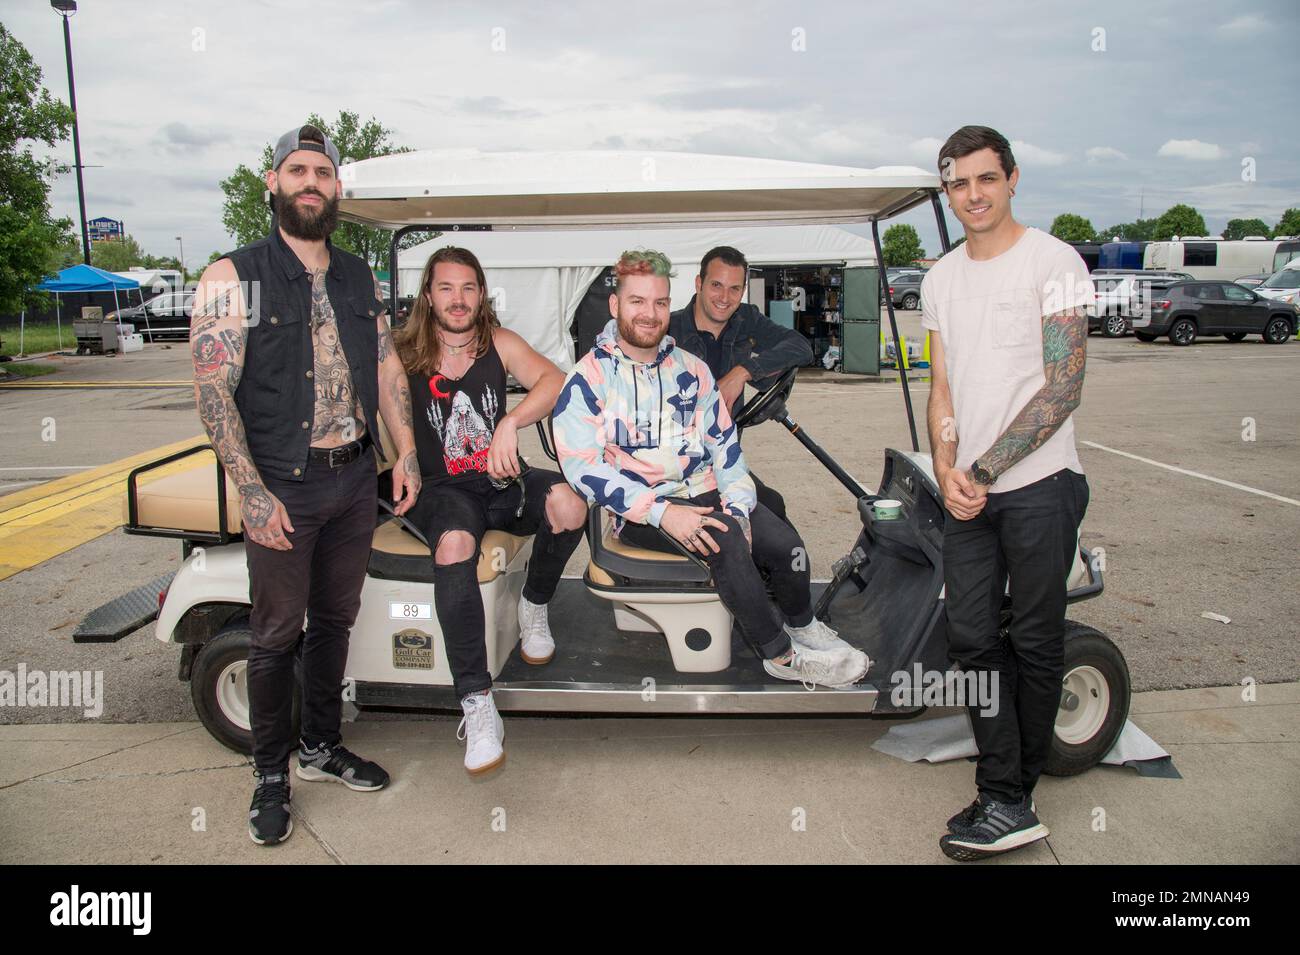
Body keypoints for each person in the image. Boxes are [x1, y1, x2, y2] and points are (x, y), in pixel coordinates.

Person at [191, 124, 420, 846]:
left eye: (322, 171)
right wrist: (251, 493)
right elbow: (213, 393)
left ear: (337, 189)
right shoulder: (232, 276)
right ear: (274, 182)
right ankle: (270, 775)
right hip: (281, 484)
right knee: (274, 633)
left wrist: (405, 448)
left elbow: (384, 367)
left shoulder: (358, 277)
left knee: (336, 621)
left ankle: (320, 746)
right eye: (298, 170)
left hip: (354, 478)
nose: (311, 181)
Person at [554, 249, 869, 688]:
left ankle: (801, 625)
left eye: (660, 303)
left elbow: (726, 449)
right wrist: (665, 512)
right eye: (637, 302)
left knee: (786, 544)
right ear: (615, 305)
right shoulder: (587, 380)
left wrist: (740, 508)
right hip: (643, 511)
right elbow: (582, 468)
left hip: (705, 493)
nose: (650, 314)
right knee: (725, 541)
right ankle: (780, 655)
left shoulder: (693, 370)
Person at [921, 126, 1092, 861]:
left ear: (1013, 178)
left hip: (1041, 485)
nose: (973, 195)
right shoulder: (939, 278)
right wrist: (947, 466)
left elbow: (1064, 387)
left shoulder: (1054, 262)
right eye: (958, 184)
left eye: (986, 179)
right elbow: (942, 388)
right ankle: (1004, 790)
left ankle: (1010, 794)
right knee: (970, 637)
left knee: (1036, 637)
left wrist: (984, 471)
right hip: (970, 491)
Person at [394, 246, 587, 776]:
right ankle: (478, 703)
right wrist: (403, 456)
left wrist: (511, 422)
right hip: (442, 490)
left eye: (468, 288)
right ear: (428, 296)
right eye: (446, 288)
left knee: (570, 504)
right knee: (456, 544)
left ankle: (535, 603)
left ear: (482, 294)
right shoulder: (404, 350)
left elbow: (553, 380)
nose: (458, 300)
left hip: (500, 480)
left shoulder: (498, 344)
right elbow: (385, 403)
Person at [667, 246, 813, 523]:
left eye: (734, 289)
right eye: (716, 286)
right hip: (680, 470)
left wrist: (742, 372)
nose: (725, 298)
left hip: (724, 463)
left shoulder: (746, 319)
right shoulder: (669, 331)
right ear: (699, 284)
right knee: (772, 525)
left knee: (774, 505)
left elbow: (800, 346)